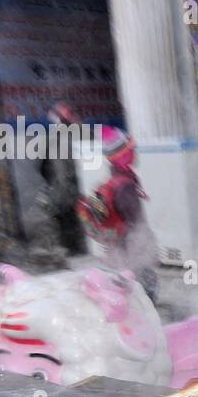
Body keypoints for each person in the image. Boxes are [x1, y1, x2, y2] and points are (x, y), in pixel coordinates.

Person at [76, 126, 160, 303]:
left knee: (123, 297)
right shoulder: (125, 186)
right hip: (133, 253)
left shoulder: (111, 183)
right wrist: (150, 248)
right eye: (132, 150)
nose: (135, 153)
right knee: (143, 301)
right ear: (124, 154)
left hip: (116, 252)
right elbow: (137, 223)